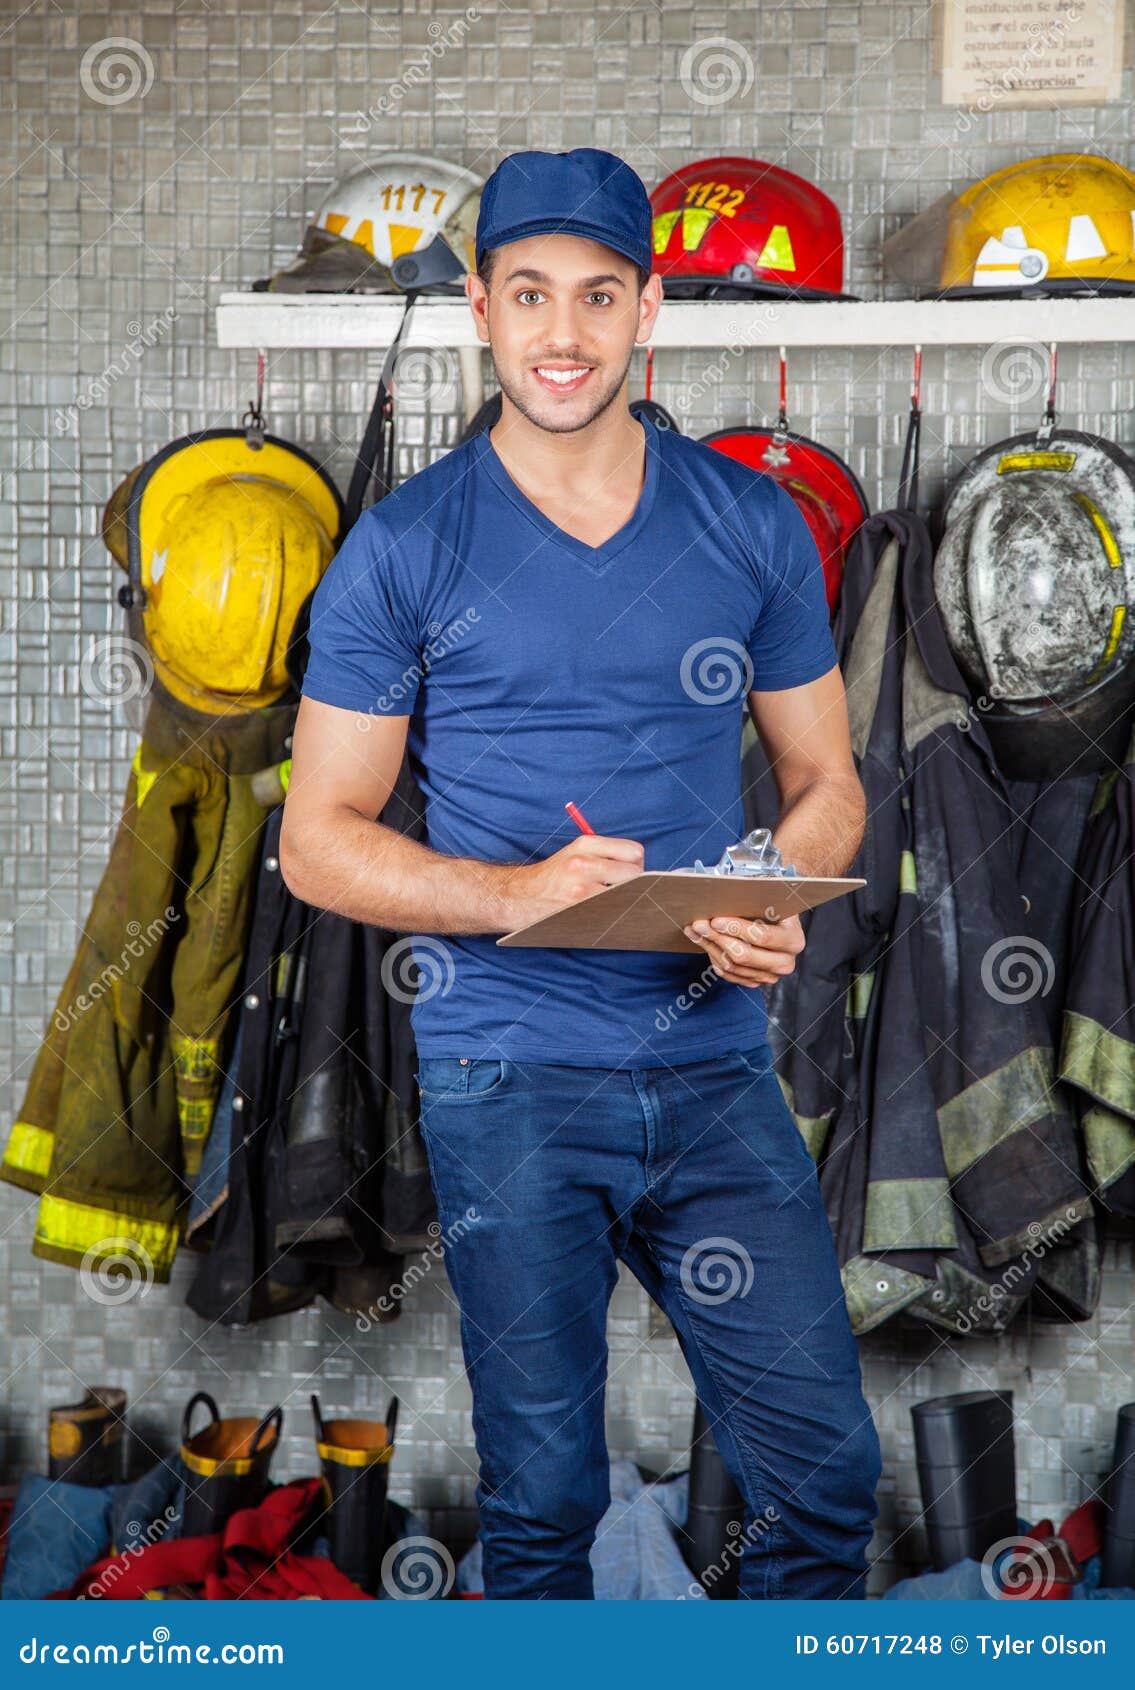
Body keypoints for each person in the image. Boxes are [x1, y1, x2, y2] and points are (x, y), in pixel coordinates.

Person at [280, 147, 882, 1600]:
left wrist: (764, 885)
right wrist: (513, 894)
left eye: (600, 296)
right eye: (531, 293)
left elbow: (830, 792)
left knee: (824, 1474)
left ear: (651, 309)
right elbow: (315, 840)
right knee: (544, 1501)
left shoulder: (749, 521)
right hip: (509, 1074)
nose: (564, 333)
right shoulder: (405, 545)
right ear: (481, 307)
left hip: (712, 1063)